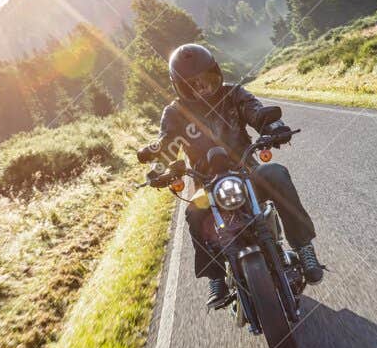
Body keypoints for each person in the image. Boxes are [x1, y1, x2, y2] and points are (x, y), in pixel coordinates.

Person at [137, 43, 324, 309]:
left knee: (277, 174)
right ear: (180, 86)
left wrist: (274, 126)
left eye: (206, 80)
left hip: (248, 171)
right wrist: (159, 169)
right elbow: (167, 144)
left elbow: (256, 112)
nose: (202, 88)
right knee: (193, 212)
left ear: (216, 72)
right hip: (208, 184)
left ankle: (304, 247)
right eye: (193, 85)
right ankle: (216, 278)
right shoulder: (175, 113)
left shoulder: (234, 94)